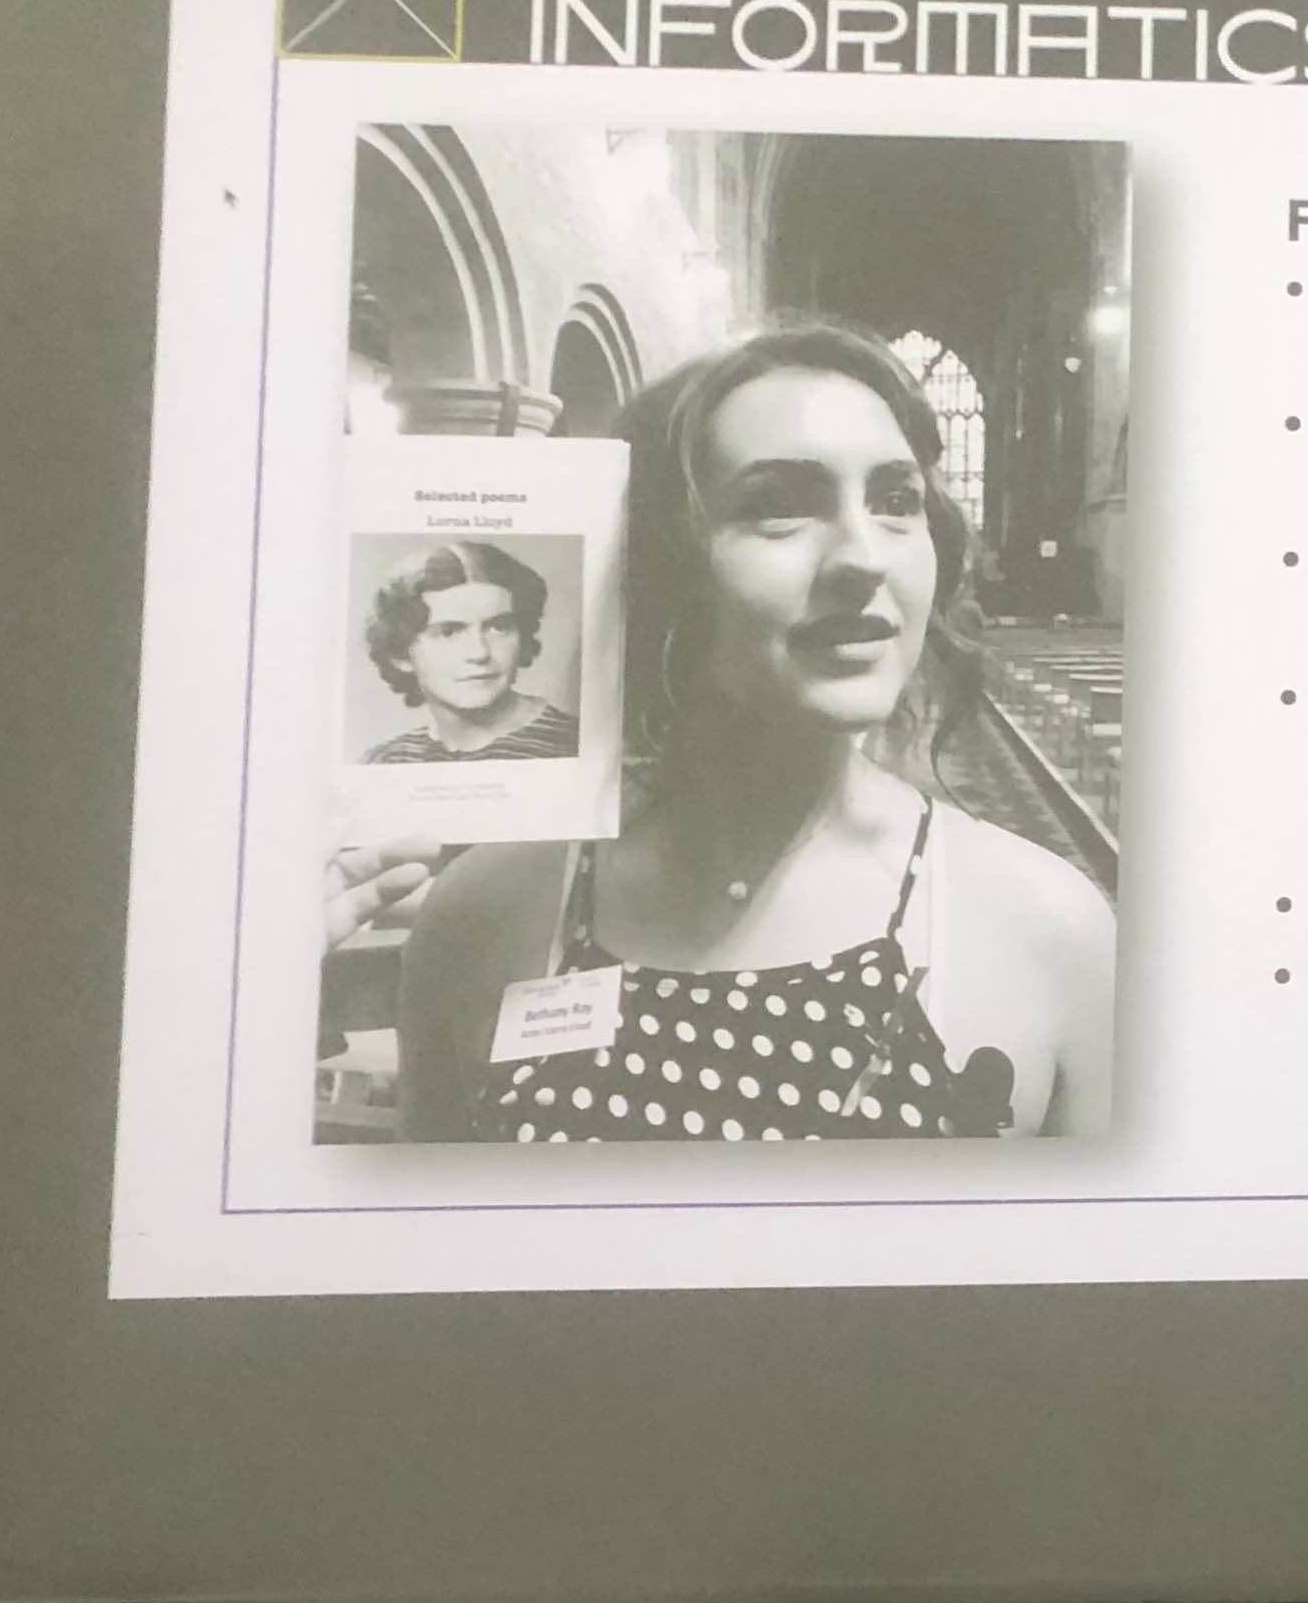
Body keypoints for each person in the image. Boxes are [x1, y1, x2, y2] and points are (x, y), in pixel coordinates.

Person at [394, 321, 1116, 1140]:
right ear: (658, 561)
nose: (864, 558)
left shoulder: (1047, 927)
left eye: (896, 501)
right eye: (777, 507)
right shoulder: (486, 914)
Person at [359, 538, 577, 763]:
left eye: (499, 627)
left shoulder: (569, 745)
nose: (479, 653)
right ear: (401, 653)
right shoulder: (385, 759)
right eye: (449, 632)